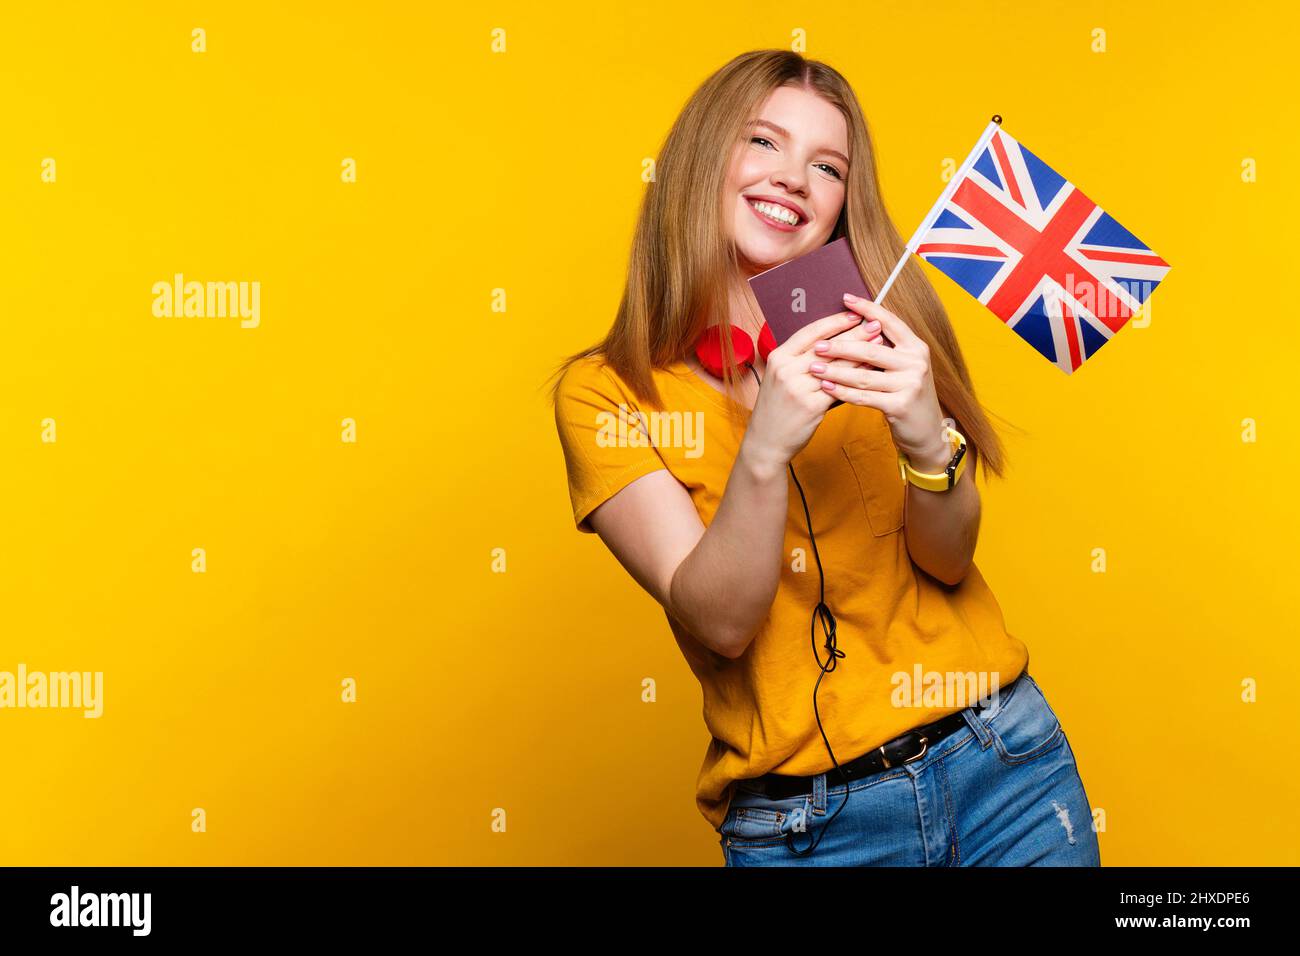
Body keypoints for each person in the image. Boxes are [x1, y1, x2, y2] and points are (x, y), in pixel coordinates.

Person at [548, 49, 1100, 866]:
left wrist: (921, 435)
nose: (794, 179)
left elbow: (947, 563)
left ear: (843, 201)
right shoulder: (608, 394)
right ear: (705, 157)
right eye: (763, 143)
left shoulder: (885, 326)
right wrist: (764, 450)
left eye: (827, 166)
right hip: (811, 831)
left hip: (1004, 770)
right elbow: (721, 623)